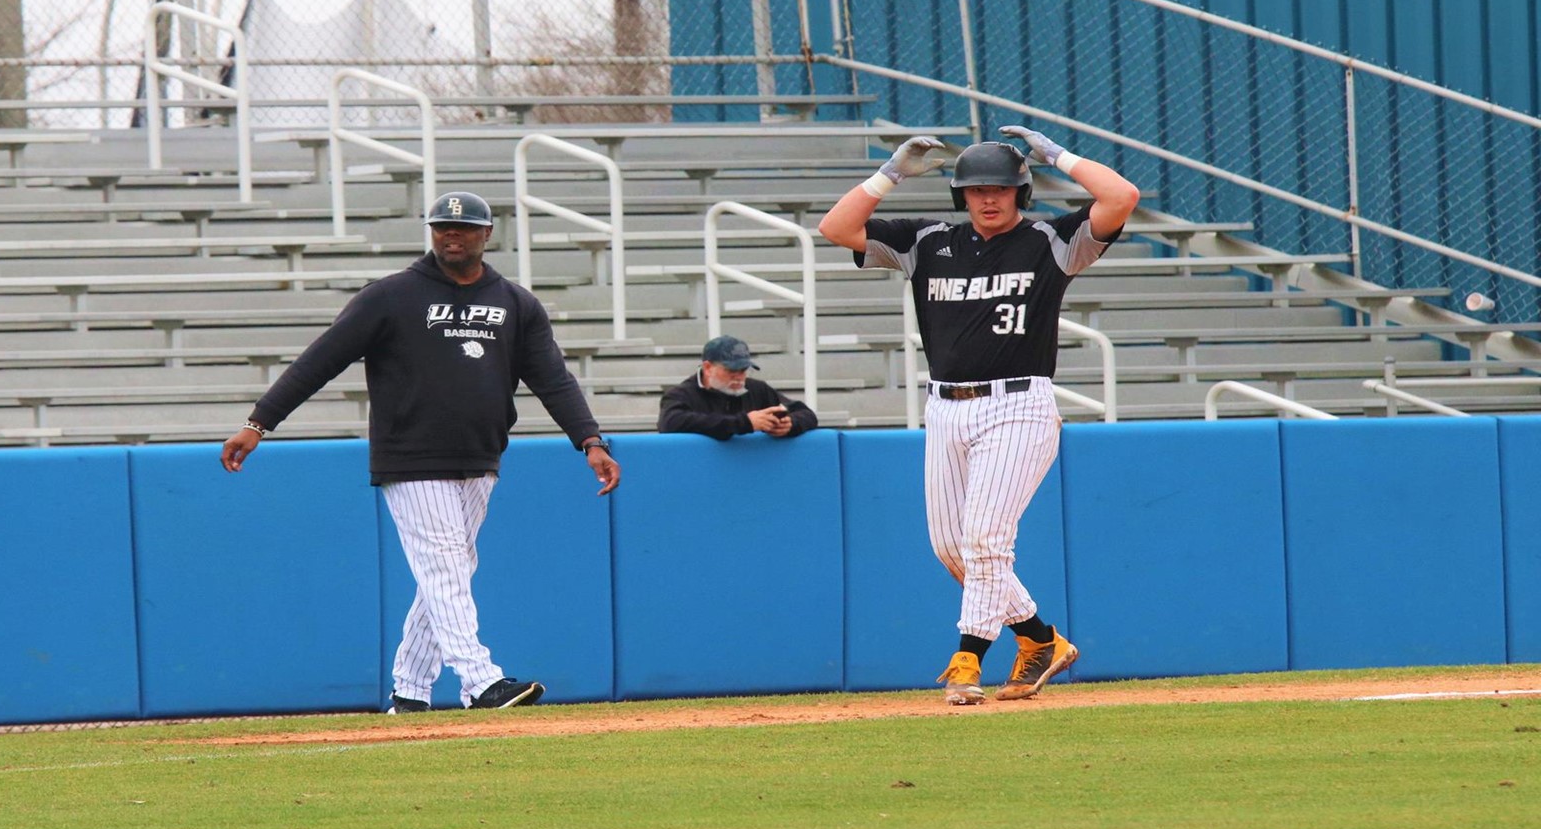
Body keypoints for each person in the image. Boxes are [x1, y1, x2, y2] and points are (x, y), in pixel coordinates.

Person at [221, 190, 621, 714]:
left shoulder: (516, 303)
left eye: (462, 228)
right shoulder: (390, 296)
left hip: (480, 457)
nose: (450, 235)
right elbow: (318, 361)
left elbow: (552, 378)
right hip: (410, 457)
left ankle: (409, 691)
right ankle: (481, 682)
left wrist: (589, 440)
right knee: (445, 568)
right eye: (440, 228)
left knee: (449, 572)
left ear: (486, 233)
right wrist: (259, 422)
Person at [818, 125, 1138, 705]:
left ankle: (968, 660)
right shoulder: (929, 241)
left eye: (1001, 188)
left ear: (1021, 191)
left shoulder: (1052, 240)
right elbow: (835, 228)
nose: (988, 198)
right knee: (952, 548)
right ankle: (1040, 640)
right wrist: (889, 174)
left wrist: (1058, 156)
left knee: (987, 538)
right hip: (945, 407)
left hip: (1018, 405)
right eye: (975, 189)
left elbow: (1121, 198)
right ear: (960, 196)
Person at [658, 335, 818, 441]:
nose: (739, 377)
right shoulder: (681, 395)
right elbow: (670, 424)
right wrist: (745, 423)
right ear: (708, 367)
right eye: (731, 370)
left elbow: (806, 414)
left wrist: (790, 424)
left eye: (743, 370)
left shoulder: (757, 389)